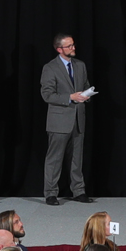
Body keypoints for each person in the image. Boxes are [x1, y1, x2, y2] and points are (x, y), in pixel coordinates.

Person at [40, 34, 93, 204]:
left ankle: (78, 191)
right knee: (54, 159)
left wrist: (86, 95)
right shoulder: (50, 68)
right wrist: (70, 97)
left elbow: (85, 86)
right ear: (59, 49)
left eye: (73, 45)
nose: (73, 48)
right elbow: (47, 95)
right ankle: (50, 193)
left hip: (78, 120)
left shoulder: (80, 65)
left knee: (76, 158)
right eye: (69, 46)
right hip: (59, 121)